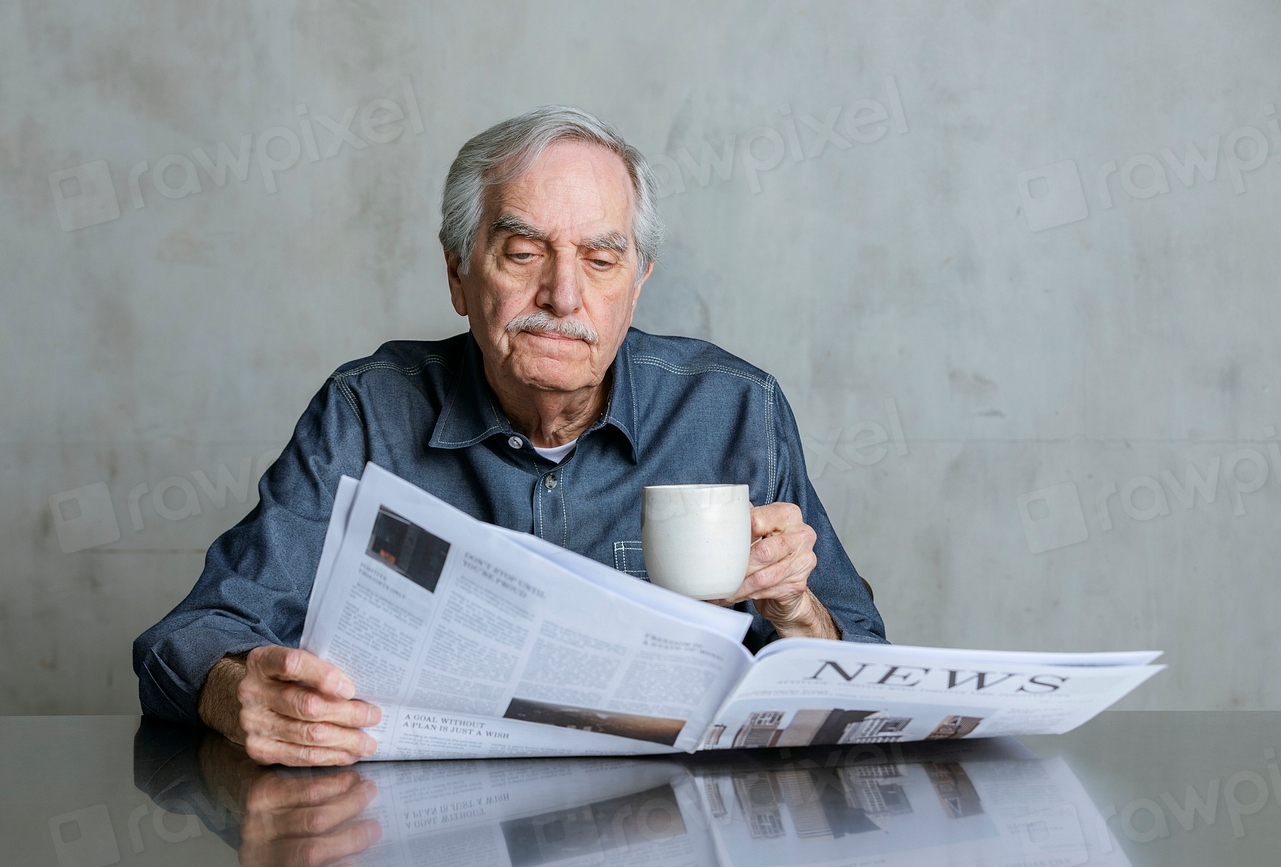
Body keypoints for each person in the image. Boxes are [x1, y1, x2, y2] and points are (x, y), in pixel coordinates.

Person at [134, 106, 887, 766]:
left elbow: (868, 673)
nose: (563, 295)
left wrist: (796, 611)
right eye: (524, 253)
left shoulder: (735, 411)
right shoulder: (365, 413)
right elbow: (194, 633)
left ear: (638, 283)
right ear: (459, 273)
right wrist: (235, 693)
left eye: (601, 259)